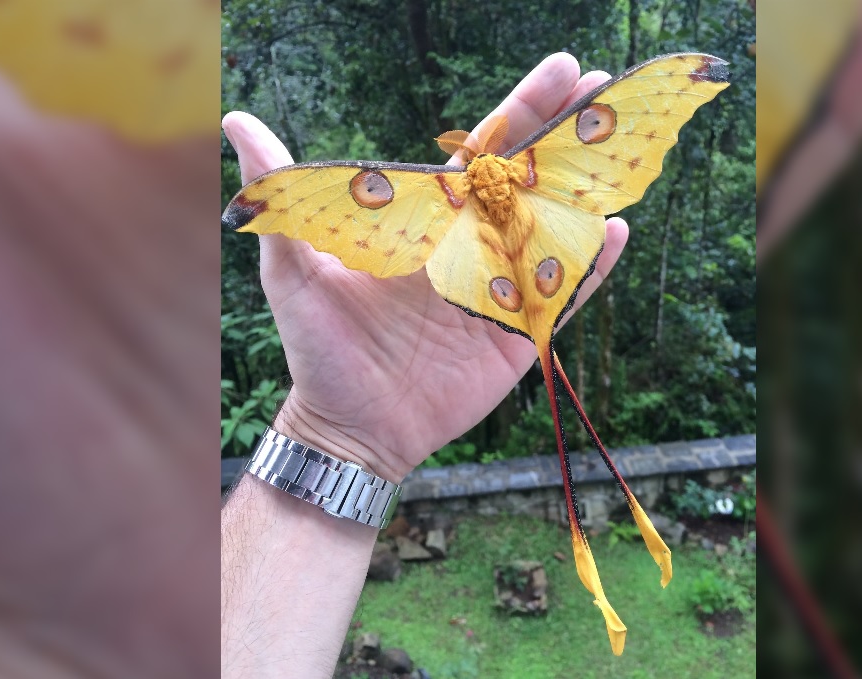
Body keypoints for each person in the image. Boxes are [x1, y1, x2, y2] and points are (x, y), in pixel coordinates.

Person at [219, 52, 629, 677]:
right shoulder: (465, 188)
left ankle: (603, 561)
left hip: (537, 242)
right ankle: (603, 562)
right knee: (553, 369)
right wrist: (339, 437)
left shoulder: (460, 188)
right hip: (505, 255)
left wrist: (336, 438)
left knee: (551, 363)